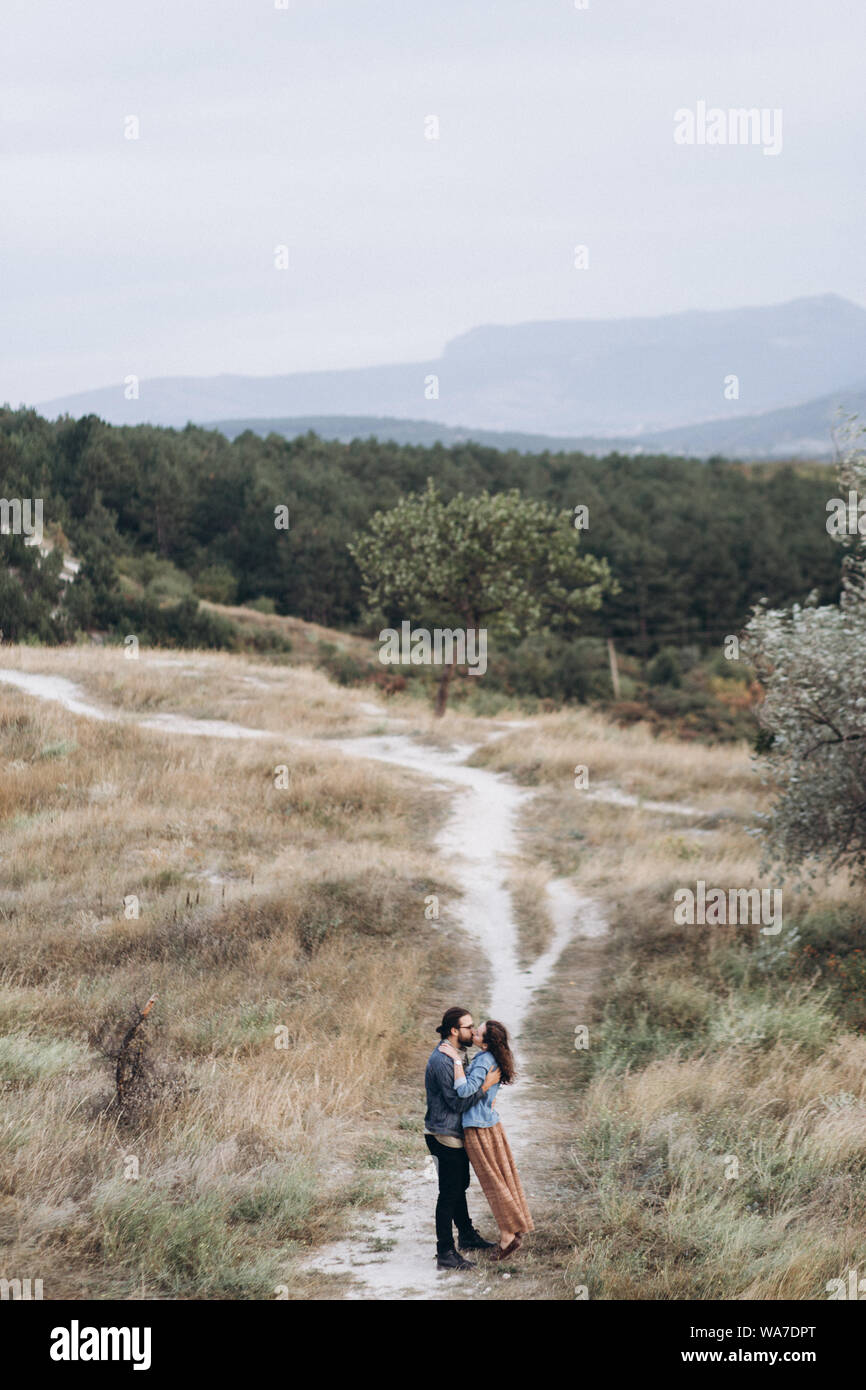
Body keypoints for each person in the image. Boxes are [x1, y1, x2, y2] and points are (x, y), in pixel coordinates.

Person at [439, 1018, 534, 1261]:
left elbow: (463, 1091)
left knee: (493, 1183)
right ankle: (513, 1228)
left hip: (479, 1129)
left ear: (485, 1043)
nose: (473, 1034)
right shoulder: (491, 1058)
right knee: (502, 1178)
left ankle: (507, 1236)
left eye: (478, 1033)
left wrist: (457, 1061)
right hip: (490, 1124)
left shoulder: (483, 1062)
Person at [424, 1006, 500, 1270]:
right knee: (449, 1192)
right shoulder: (442, 1060)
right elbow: (458, 1103)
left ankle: (466, 1236)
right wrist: (486, 1086)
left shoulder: (457, 1053)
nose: (473, 1030)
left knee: (460, 1186)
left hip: (453, 1134)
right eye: (469, 1027)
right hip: (443, 1135)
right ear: (455, 1030)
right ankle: (445, 1252)